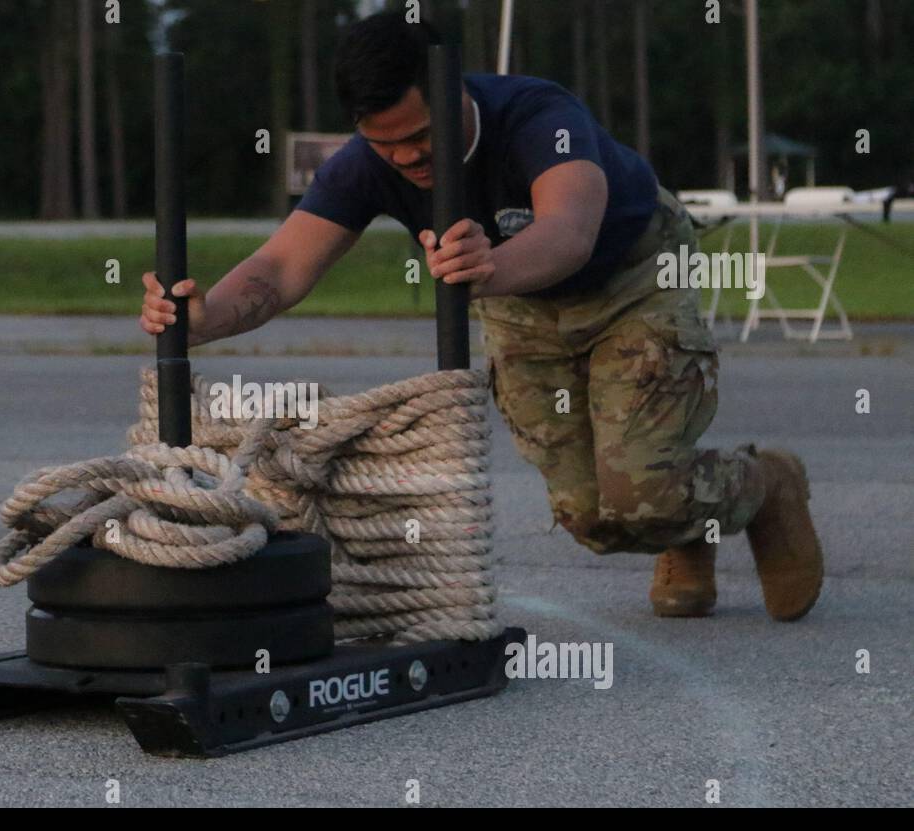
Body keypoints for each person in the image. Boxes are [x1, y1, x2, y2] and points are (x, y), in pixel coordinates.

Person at [138, 12, 823, 621]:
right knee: (588, 514)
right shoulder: (365, 164)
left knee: (642, 487)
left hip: (632, 276)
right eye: (386, 146)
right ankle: (679, 528)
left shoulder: (538, 117)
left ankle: (768, 486)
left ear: (453, 91)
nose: (407, 157)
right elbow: (282, 269)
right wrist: (206, 317)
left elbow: (570, 229)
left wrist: (491, 267)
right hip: (522, 305)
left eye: (420, 136)